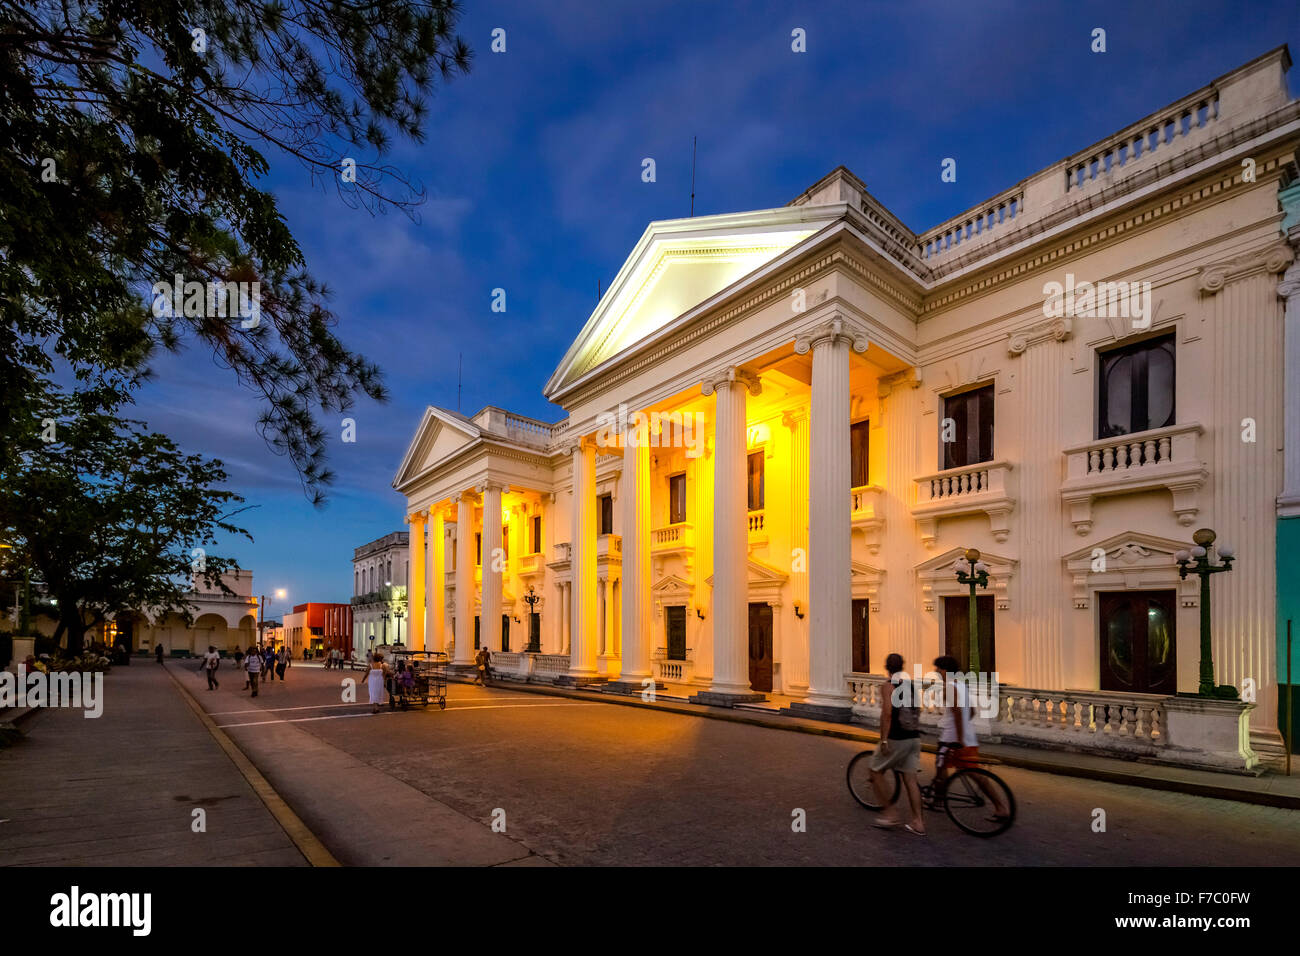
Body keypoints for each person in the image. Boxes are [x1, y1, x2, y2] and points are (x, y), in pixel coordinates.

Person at [933, 655, 1010, 821]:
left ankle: (1000, 807)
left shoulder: (949, 687)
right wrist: (965, 731)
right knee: (944, 767)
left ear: (945, 670)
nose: (936, 671)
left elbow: (957, 712)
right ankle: (938, 799)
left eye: (938, 668)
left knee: (969, 772)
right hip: (967, 736)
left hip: (952, 738)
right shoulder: (962, 686)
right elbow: (972, 712)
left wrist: (959, 738)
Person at [869, 652, 925, 835]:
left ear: (887, 667)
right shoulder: (910, 685)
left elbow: (887, 714)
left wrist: (884, 739)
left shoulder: (889, 685)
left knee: (875, 771)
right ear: (902, 666)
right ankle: (918, 822)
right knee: (910, 779)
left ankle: (890, 813)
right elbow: (918, 709)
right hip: (914, 737)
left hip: (897, 737)